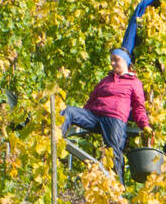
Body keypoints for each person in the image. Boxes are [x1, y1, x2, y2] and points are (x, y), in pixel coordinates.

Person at [61, 48, 152, 183]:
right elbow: (91, 99)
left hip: (114, 118)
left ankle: (118, 189)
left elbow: (139, 107)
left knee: (114, 153)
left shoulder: (134, 83)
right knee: (68, 111)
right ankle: (55, 138)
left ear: (126, 62)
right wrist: (83, 114)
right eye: (111, 60)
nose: (113, 63)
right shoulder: (106, 80)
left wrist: (144, 125)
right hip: (94, 115)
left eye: (116, 60)